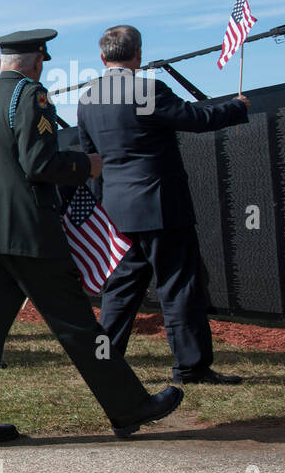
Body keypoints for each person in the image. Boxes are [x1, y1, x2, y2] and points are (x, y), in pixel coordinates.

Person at [0, 29, 183, 447]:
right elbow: (39, 164)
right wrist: (87, 165)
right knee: (78, 326)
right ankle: (130, 406)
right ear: (36, 60)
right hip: (27, 232)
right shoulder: (30, 95)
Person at [77, 25, 249, 385]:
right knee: (178, 285)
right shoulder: (146, 89)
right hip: (161, 206)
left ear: (102, 57)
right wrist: (236, 108)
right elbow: (195, 119)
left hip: (117, 209)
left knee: (121, 289)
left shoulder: (88, 98)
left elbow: (88, 155)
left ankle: (102, 361)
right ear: (137, 54)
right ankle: (191, 367)